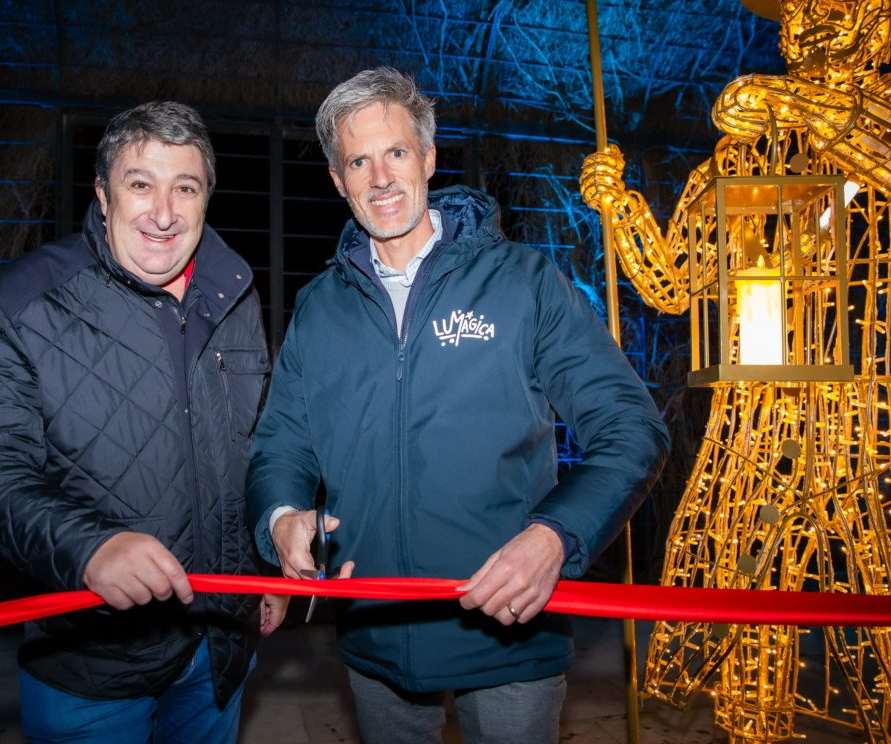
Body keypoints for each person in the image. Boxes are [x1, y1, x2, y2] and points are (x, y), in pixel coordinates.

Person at [580, 0, 891, 740]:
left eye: (835, 6)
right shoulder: (743, 156)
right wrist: (621, 205)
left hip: (888, 428)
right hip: (764, 423)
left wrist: (792, 101)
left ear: (877, 22)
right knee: (747, 638)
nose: (812, 21)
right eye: (799, 10)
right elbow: (673, 283)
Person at [247, 67, 670, 744]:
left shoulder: (523, 282)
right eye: (358, 160)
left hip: (506, 638)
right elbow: (280, 446)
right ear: (337, 180)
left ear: (428, 159)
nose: (380, 178)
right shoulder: (318, 307)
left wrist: (554, 537)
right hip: (375, 638)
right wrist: (280, 519)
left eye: (396, 152)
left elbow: (631, 430)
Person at [0, 100, 287, 744]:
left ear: (206, 197)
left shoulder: (233, 290)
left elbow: (253, 446)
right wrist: (88, 548)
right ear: (103, 195)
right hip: (92, 664)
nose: (163, 212)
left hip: (217, 650)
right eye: (141, 184)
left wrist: (263, 573)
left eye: (184, 187)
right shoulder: (24, 304)